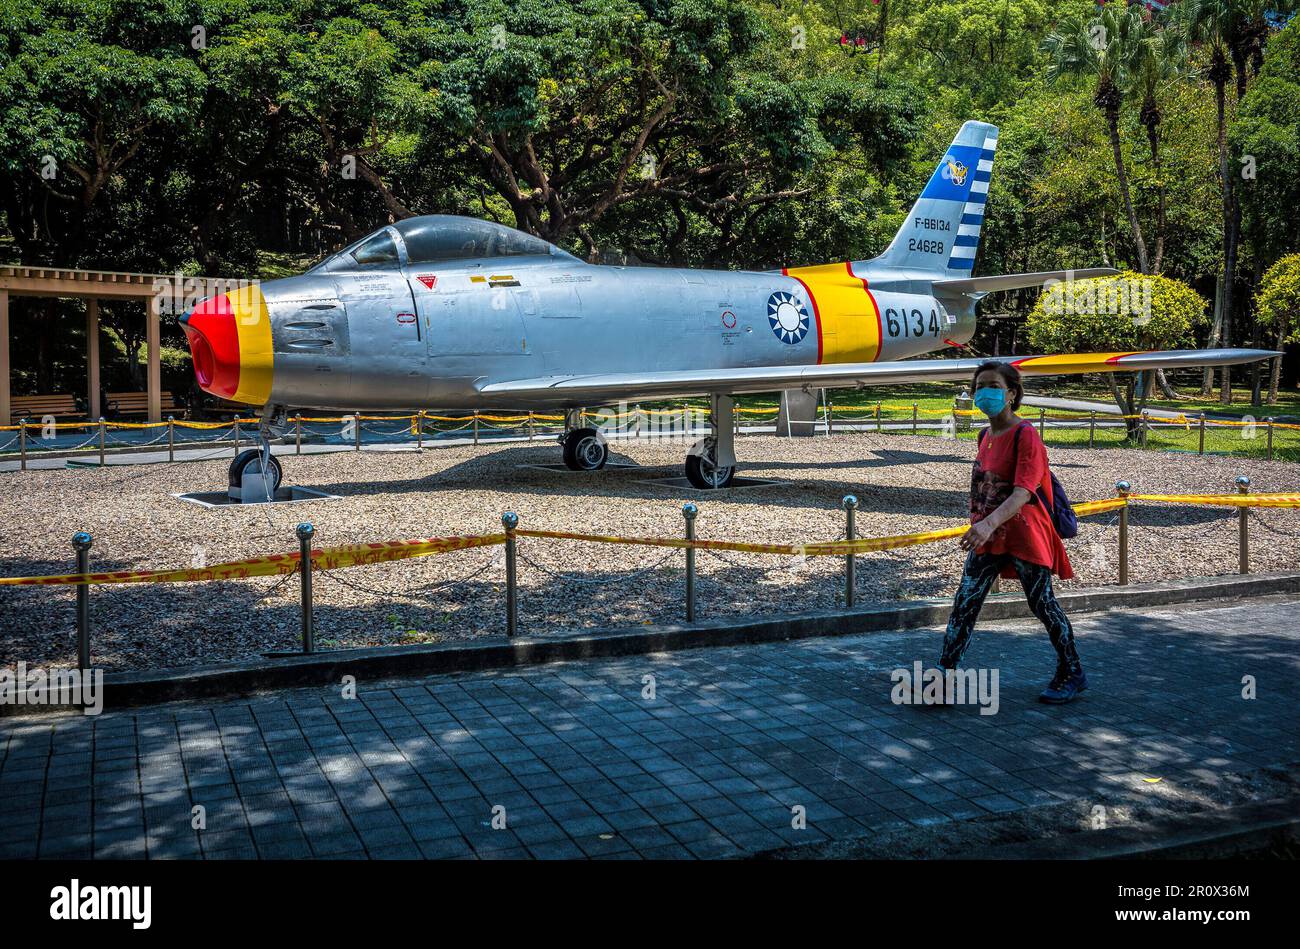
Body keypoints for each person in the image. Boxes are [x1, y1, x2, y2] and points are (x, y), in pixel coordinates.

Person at [939, 361, 1086, 704]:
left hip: (1023, 535)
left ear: (1012, 394)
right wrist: (983, 524)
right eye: (979, 387)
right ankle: (944, 678)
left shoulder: (1026, 435)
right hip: (988, 538)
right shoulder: (984, 435)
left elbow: (1024, 490)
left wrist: (988, 523)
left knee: (1042, 603)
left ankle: (1072, 671)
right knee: (964, 604)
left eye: (992, 385)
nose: (983, 393)